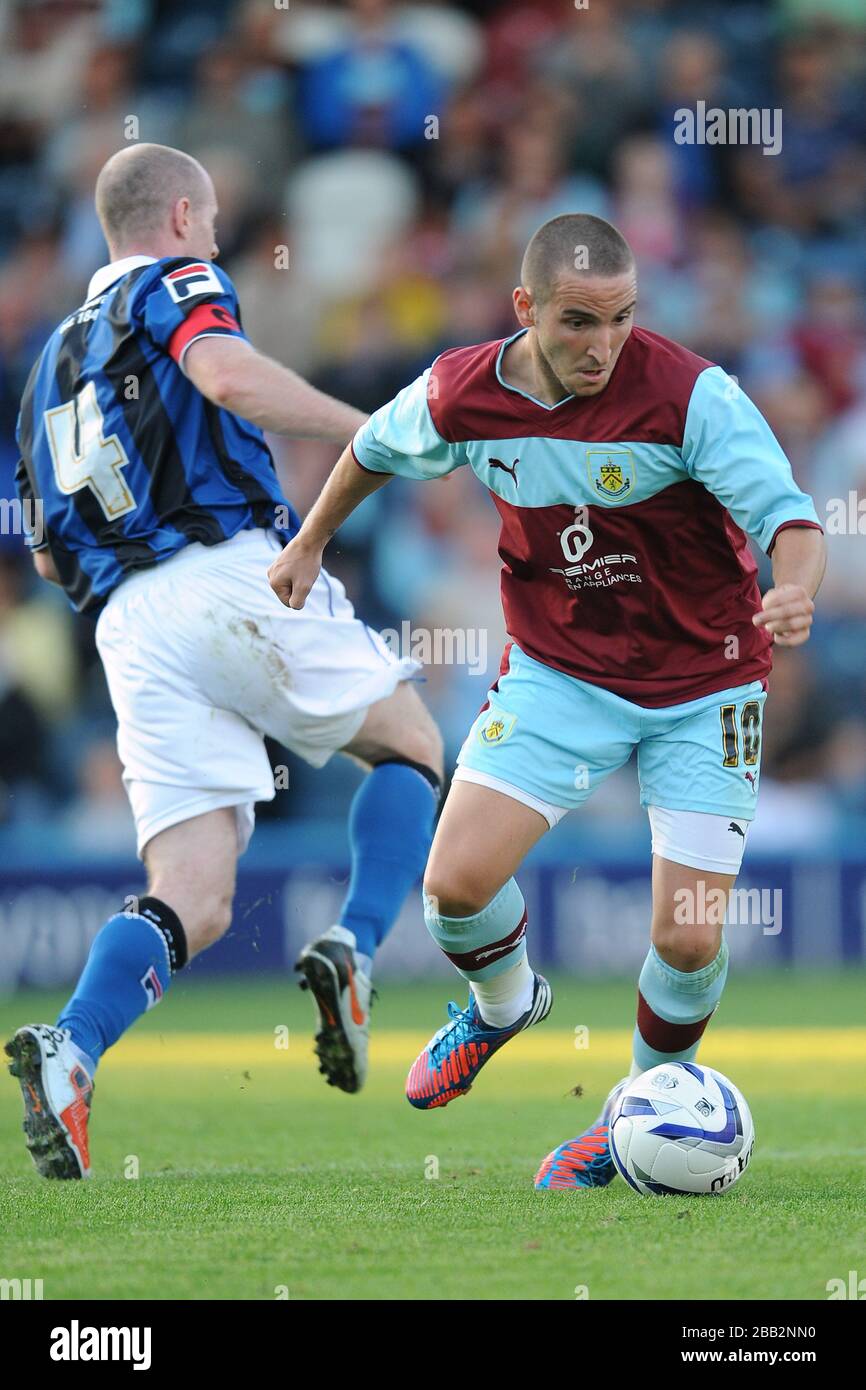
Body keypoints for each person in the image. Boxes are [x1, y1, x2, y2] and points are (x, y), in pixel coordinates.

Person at [267, 212, 825, 1190]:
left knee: (686, 932)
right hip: (561, 674)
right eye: (576, 323)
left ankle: (628, 1122)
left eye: (617, 321)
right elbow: (371, 450)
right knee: (454, 888)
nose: (600, 346)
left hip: (710, 681)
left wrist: (794, 589)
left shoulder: (692, 396)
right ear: (525, 308)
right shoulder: (462, 392)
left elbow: (787, 515)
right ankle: (499, 1006)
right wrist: (308, 541)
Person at [7, 143, 443, 1180]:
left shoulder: (45, 365)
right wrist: (378, 436)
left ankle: (72, 1049)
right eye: (207, 220)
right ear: (181, 216)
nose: (213, 236)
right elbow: (226, 373)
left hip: (125, 620)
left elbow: (36, 545)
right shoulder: (177, 282)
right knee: (414, 748)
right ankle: (357, 944)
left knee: (192, 892)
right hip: (231, 571)